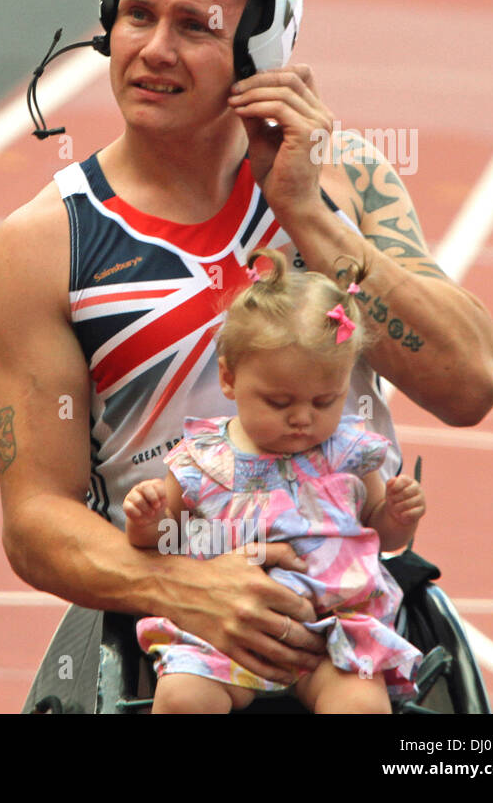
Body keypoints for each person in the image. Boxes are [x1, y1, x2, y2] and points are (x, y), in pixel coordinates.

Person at [0, 0, 493, 707]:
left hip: (351, 609)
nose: (152, 49)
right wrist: (189, 591)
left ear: (262, 53)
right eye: (137, 15)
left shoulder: (348, 182)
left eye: (195, 27)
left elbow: (468, 384)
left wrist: (307, 215)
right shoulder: (45, 242)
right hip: (173, 633)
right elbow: (35, 518)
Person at [124, 248, 424, 713]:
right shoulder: (201, 461)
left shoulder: (350, 453)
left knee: (362, 706)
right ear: (229, 378)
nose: (303, 418)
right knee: (183, 697)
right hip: (226, 630)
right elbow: (170, 540)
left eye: (326, 401)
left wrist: (397, 516)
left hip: (333, 634)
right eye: (280, 402)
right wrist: (146, 521)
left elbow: (379, 534)